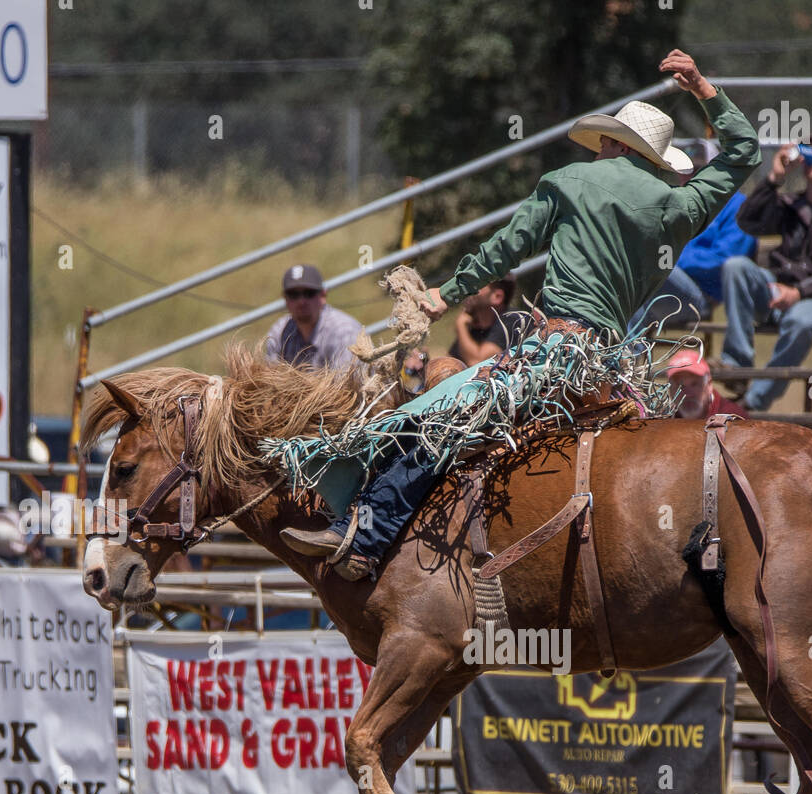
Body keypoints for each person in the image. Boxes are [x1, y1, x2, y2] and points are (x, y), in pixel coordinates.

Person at [287, 49, 760, 580]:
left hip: (556, 355)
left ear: (612, 143)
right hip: (610, 366)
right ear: (655, 158)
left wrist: (448, 292)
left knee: (443, 418)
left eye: (603, 141)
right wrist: (702, 87)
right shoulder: (679, 206)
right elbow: (745, 150)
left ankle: (365, 538)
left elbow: (507, 247)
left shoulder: (570, 181)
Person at [720, 134, 812, 413]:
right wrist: (775, 177)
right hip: (776, 290)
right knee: (736, 267)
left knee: (801, 319)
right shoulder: (792, 206)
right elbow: (747, 221)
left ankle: (753, 403)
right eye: (809, 150)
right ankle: (736, 367)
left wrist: (799, 292)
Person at [625, 139, 757, 331]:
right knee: (634, 281)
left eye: (695, 169)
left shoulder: (736, 206)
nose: (686, 176)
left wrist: (673, 257)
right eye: (682, 169)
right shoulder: (674, 201)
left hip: (701, 297)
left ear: (715, 171)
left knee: (645, 268)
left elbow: (725, 258)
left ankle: (626, 354)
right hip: (664, 284)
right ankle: (627, 356)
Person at [264, 264, 363, 371]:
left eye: (309, 293)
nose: (301, 301)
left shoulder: (344, 331)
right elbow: (271, 381)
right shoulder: (279, 332)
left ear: (323, 296)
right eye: (293, 294)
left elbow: (348, 385)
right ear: (285, 299)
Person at [447, 276, 520, 365]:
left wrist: (460, 325)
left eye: (477, 285)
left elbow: (478, 363)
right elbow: (448, 364)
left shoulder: (513, 319)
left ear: (497, 296)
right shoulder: (473, 330)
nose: (467, 290)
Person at [663, 347, 748, 420]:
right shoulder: (663, 420)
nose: (687, 393)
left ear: (709, 385)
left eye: (694, 384)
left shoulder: (733, 418)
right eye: (680, 386)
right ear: (670, 390)